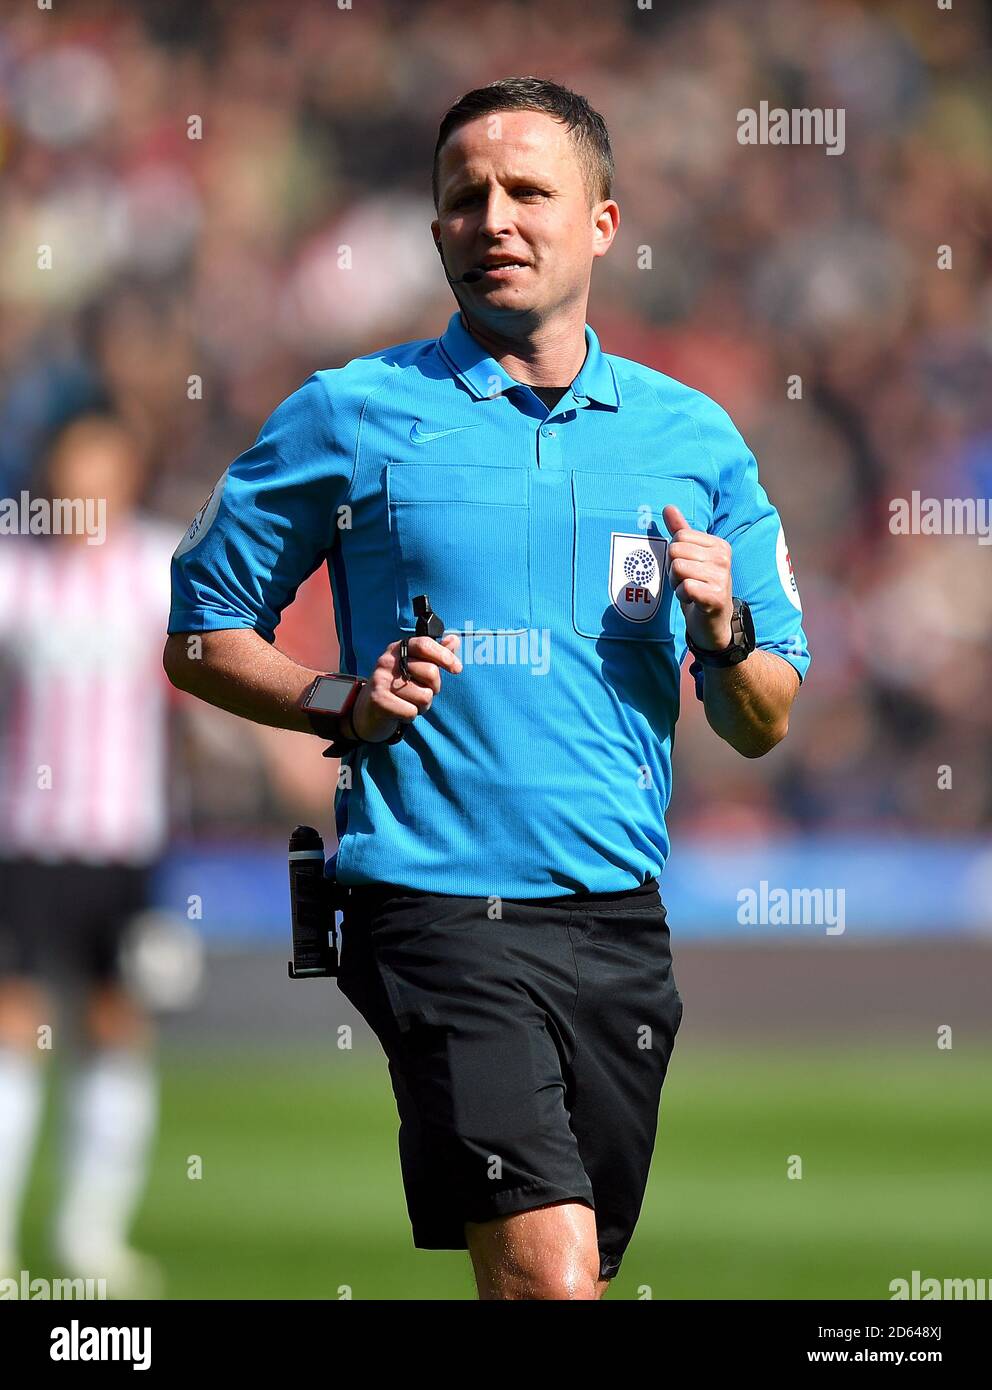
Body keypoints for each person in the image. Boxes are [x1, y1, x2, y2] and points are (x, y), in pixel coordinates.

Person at [164, 76, 810, 1301]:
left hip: (618, 917)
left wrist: (720, 630)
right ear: (435, 234)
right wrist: (337, 704)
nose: (494, 218)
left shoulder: (694, 438)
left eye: (527, 191)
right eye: (465, 198)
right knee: (545, 1277)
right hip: (434, 903)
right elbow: (200, 632)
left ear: (603, 224)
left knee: (570, 1273)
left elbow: (762, 717)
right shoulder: (350, 414)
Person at [0, 414, 180, 1298]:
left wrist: (288, 742)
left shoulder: (155, 569)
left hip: (125, 842)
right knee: (13, 1029)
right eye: (70, 468)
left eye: (103, 466)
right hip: (25, 840)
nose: (84, 488)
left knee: (115, 1027)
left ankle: (90, 1238)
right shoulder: (14, 575)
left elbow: (208, 674)